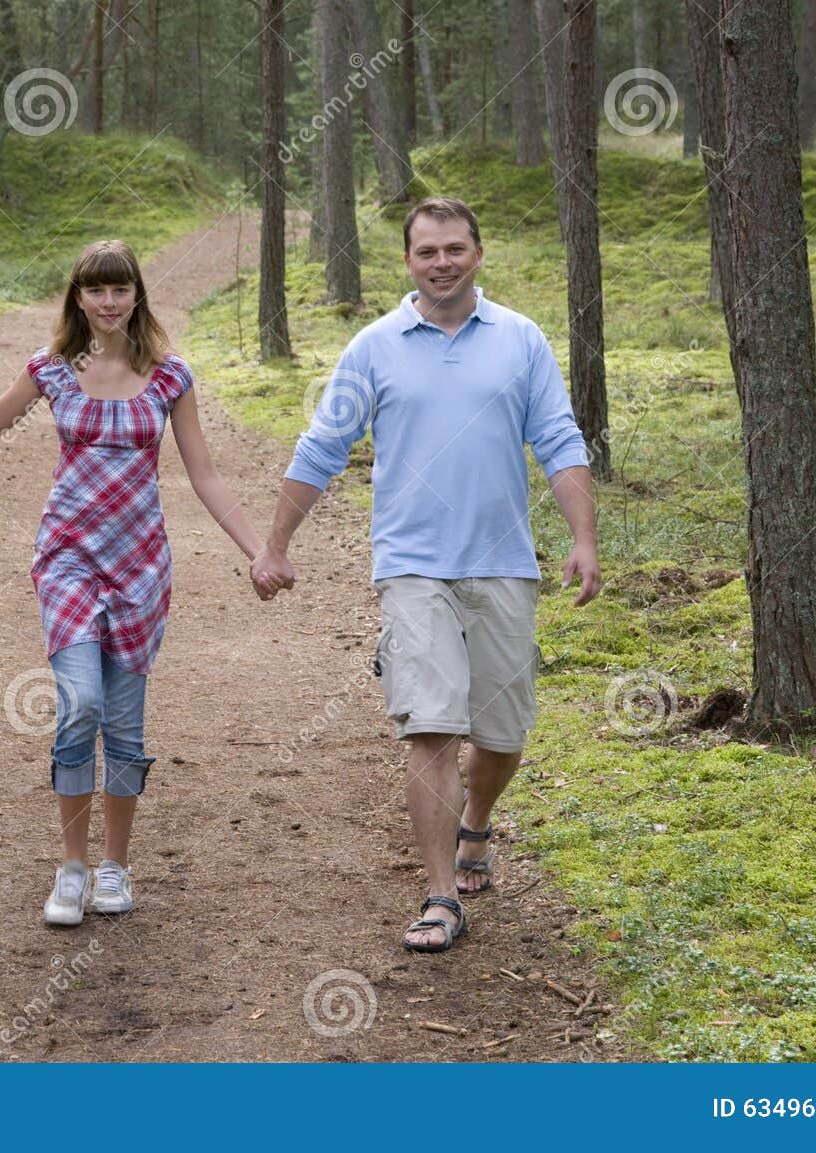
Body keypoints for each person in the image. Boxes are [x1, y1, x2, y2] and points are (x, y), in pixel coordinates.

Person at [249, 197, 603, 953]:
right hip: (412, 567)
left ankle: (477, 823)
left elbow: (559, 438)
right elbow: (322, 447)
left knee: (503, 737)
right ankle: (440, 894)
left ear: (478, 252)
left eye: (454, 248)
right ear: (407, 261)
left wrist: (583, 537)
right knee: (434, 726)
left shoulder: (521, 340)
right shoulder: (374, 347)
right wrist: (276, 543)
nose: (441, 261)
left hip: (503, 561)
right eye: (426, 251)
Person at [0, 239, 265, 926]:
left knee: (125, 726)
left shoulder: (169, 377)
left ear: (136, 295)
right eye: (94, 290)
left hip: (141, 567)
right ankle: (70, 867)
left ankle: (114, 867)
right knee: (81, 706)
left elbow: (205, 475)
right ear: (77, 298)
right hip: (67, 559)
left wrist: (256, 549)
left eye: (119, 288)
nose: (107, 301)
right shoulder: (52, 370)